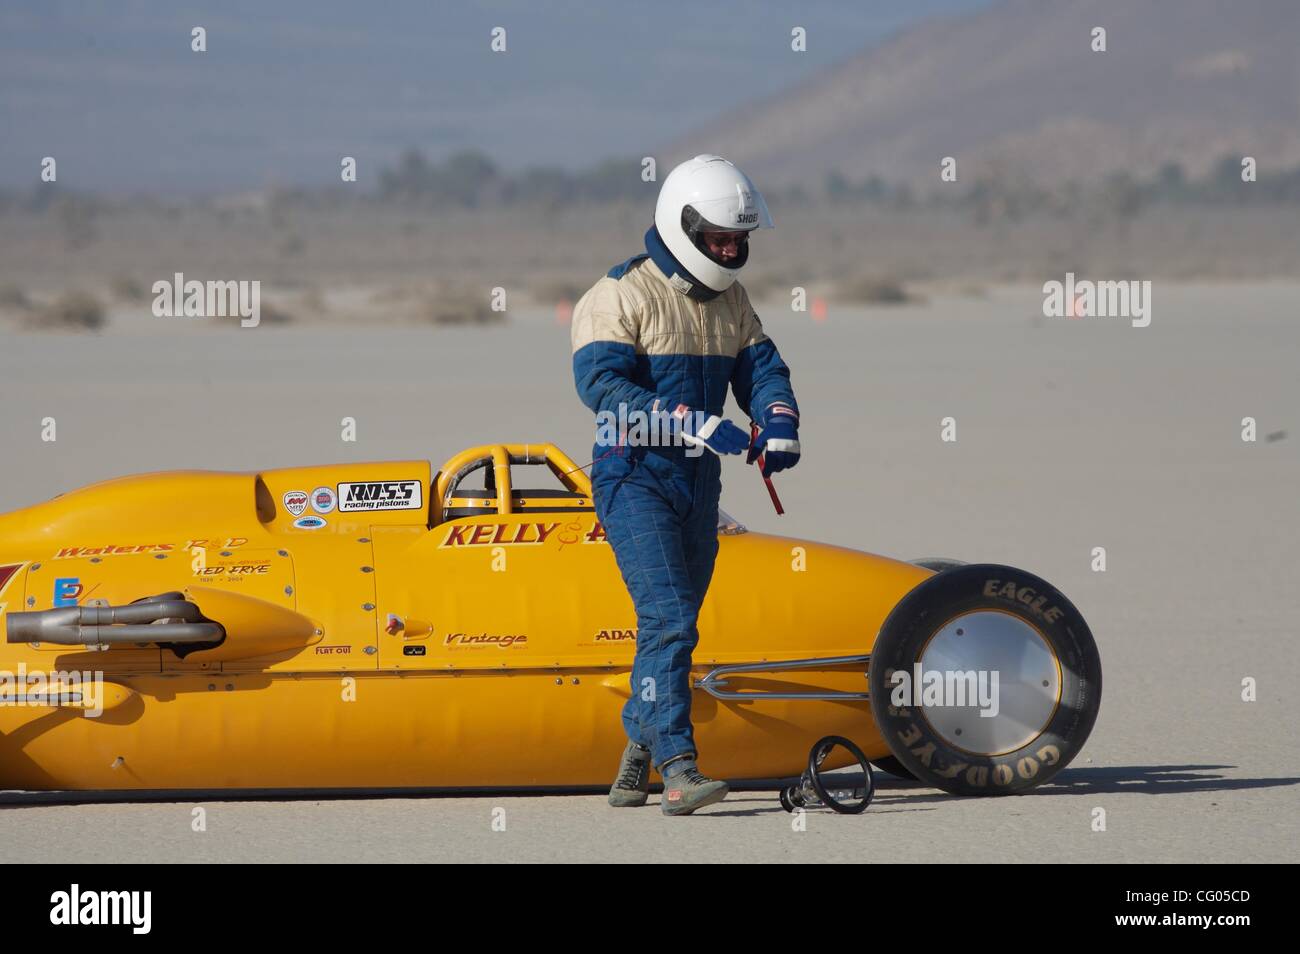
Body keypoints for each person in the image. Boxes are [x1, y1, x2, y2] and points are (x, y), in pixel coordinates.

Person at [570, 154, 801, 816]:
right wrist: (692, 422)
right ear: (684, 228)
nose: (730, 251)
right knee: (669, 617)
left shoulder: (731, 301)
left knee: (673, 625)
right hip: (632, 476)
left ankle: (635, 759)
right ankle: (679, 769)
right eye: (719, 239)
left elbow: (763, 368)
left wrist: (777, 421)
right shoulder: (617, 295)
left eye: (739, 240)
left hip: (699, 481)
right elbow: (602, 389)